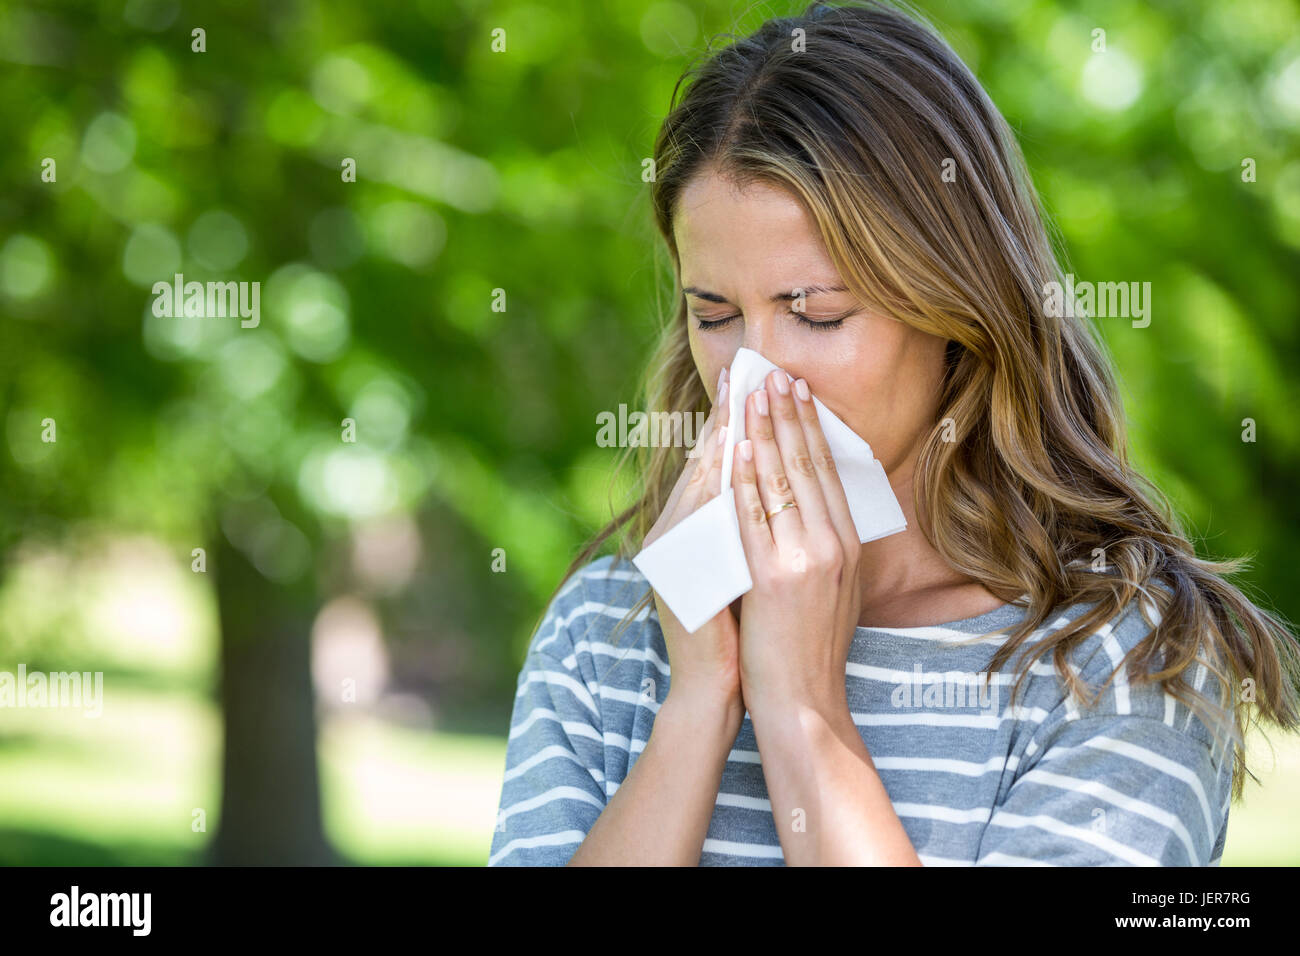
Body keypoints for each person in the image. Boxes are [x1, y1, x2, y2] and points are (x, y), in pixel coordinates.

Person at [488, 0, 1300, 866]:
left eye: (819, 314)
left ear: (957, 306)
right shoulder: (605, 629)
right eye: (715, 314)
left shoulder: (1119, 661)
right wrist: (698, 705)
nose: (757, 376)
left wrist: (805, 713)